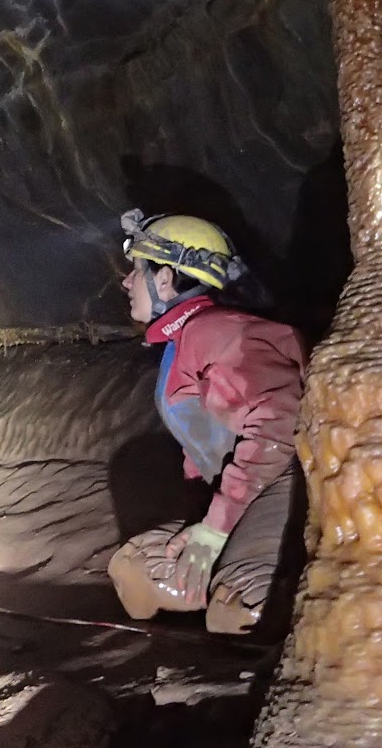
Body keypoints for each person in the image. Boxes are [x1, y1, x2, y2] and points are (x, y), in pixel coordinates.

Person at [110, 209, 307, 628]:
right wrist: (201, 513)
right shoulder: (188, 336)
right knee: (138, 570)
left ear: (164, 279)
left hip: (286, 484)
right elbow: (205, 439)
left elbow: (280, 420)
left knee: (240, 606)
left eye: (136, 270)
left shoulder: (219, 332)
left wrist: (217, 527)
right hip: (248, 488)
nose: (127, 281)